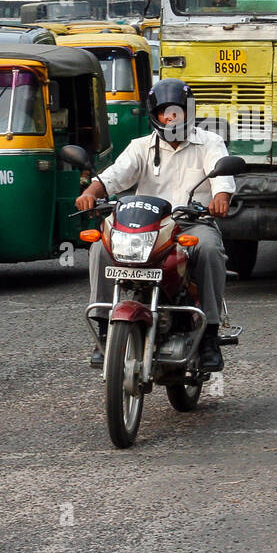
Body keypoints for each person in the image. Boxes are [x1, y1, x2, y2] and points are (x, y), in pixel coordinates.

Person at [75, 78, 235, 372]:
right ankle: (104, 328)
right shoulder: (141, 147)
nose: (171, 118)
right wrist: (90, 194)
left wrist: (220, 198)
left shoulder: (209, 142)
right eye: (165, 112)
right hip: (148, 228)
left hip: (191, 224)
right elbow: (114, 176)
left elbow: (221, 178)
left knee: (210, 248)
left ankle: (210, 333)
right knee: (99, 246)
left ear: (189, 112)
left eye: (177, 111)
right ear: (155, 114)